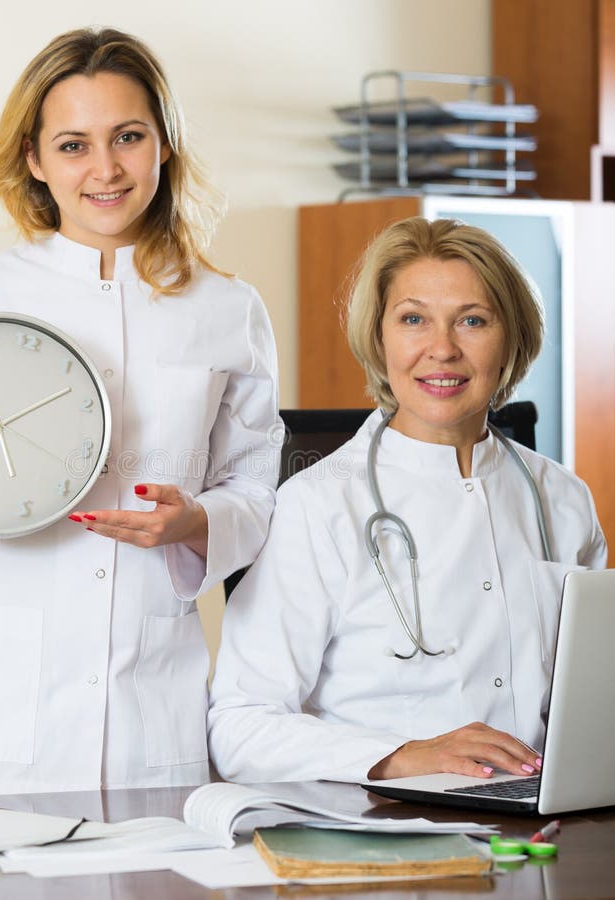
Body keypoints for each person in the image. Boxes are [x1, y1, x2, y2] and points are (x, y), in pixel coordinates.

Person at [0, 27, 280, 795]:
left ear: (164, 145)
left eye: (128, 137)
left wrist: (193, 522)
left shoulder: (228, 309)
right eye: (74, 144)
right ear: (34, 159)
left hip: (151, 704)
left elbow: (257, 491)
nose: (105, 169)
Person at [208, 216, 606, 785]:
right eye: (413, 319)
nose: (441, 349)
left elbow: (589, 703)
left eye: (472, 320)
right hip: (381, 823)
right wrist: (402, 755)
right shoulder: (317, 507)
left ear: (511, 338)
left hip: (535, 828)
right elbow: (240, 728)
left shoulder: (563, 501)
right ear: (380, 337)